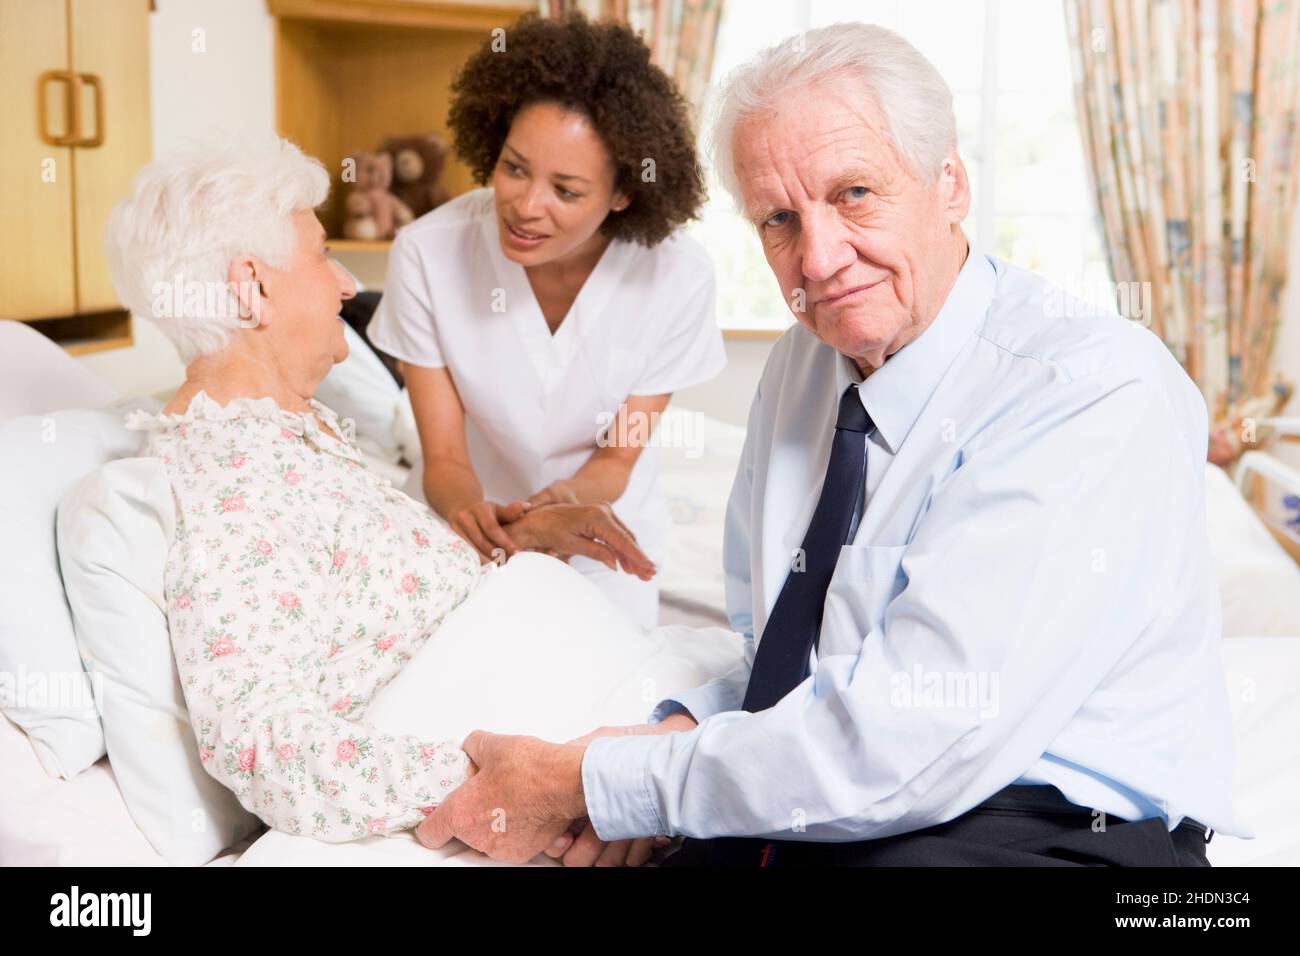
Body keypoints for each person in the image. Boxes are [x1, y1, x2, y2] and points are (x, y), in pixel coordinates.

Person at [415, 22, 1249, 867]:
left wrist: (598, 778)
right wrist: (670, 735)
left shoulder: (1088, 389)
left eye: (854, 194)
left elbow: (913, 736)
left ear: (950, 183)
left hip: (1042, 829)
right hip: (837, 801)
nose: (819, 258)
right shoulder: (804, 367)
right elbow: (794, 660)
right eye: (779, 219)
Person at [104, 138, 663, 856]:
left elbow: (372, 600)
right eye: (317, 254)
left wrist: (516, 538)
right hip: (565, 767)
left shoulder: (292, 441)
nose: (344, 283)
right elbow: (268, 750)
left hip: (616, 721)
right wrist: (530, 786)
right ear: (252, 285)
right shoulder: (231, 485)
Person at [365, 12, 726, 629]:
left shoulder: (677, 277)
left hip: (598, 533)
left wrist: (559, 506)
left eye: (566, 190)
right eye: (514, 168)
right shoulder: (428, 252)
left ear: (622, 194)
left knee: (593, 691)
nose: (526, 207)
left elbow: (614, 461)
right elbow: (446, 459)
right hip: (461, 524)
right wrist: (483, 521)